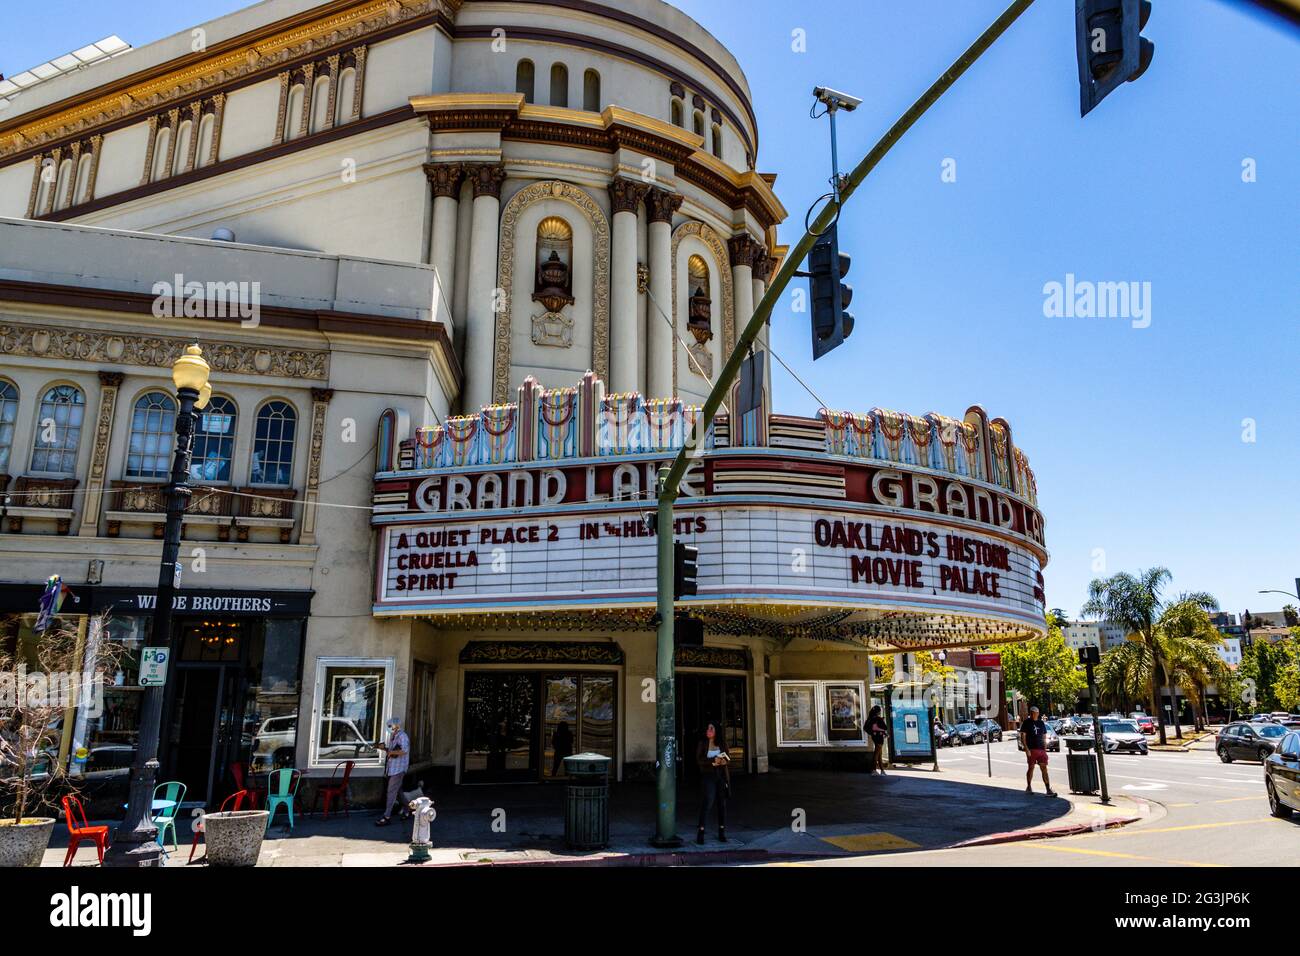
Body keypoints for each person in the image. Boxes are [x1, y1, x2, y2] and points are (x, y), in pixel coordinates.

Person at [695, 721, 731, 844]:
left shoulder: (722, 743)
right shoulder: (703, 743)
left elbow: (728, 757)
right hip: (708, 775)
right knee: (708, 802)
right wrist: (712, 761)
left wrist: (723, 761)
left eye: (711, 729)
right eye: (707, 729)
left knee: (722, 804)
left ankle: (722, 831)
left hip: (721, 775)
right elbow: (699, 760)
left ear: (716, 731)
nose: (708, 731)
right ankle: (701, 831)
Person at [375, 716, 410, 825]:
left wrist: (391, 752)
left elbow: (404, 750)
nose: (388, 728)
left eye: (390, 726)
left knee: (391, 792)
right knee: (398, 792)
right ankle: (408, 809)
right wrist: (384, 749)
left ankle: (387, 816)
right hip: (392, 769)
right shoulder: (393, 736)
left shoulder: (402, 736)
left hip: (398, 769)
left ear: (396, 726)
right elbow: (392, 751)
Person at [1020, 705, 1056, 796]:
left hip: (1041, 749)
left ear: (1038, 713)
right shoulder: (1026, 722)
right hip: (1031, 749)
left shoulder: (1041, 723)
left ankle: (1048, 789)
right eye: (1031, 713)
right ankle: (1029, 786)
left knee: (1044, 768)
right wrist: (1026, 749)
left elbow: (1044, 736)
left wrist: (1045, 749)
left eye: (1035, 713)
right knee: (1031, 767)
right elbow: (1023, 736)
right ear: (1030, 713)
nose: (1033, 715)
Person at [866, 705, 888, 774]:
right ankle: (874, 770)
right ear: (878, 712)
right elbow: (885, 727)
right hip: (879, 737)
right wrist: (882, 721)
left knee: (879, 754)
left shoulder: (870, 718)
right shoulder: (879, 719)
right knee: (877, 754)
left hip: (874, 737)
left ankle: (882, 770)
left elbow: (867, 728)